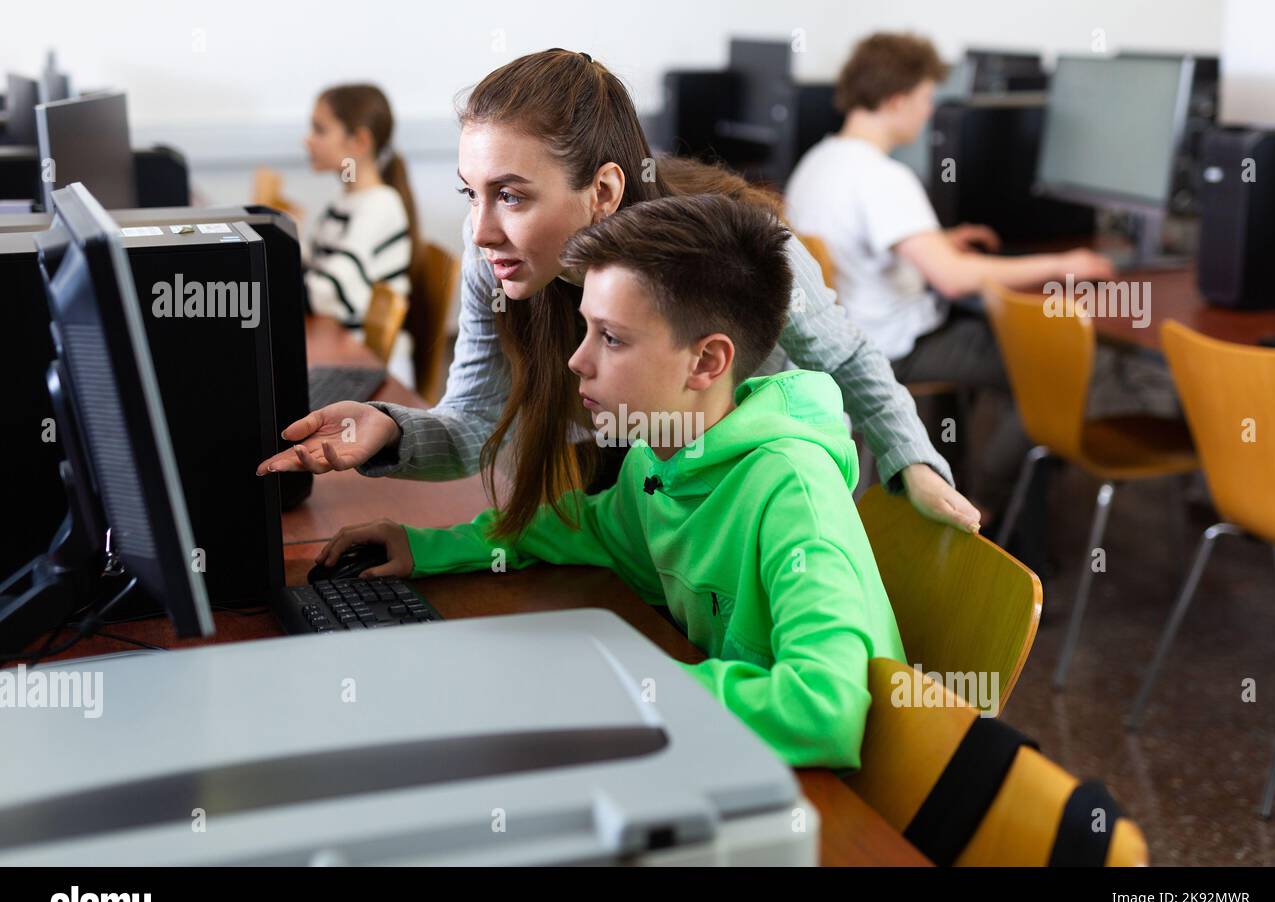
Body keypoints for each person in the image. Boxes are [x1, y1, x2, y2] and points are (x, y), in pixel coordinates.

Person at [257, 48, 980, 538]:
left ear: (603, 190)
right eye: (470, 194)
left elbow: (850, 361)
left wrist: (913, 463)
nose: (480, 232)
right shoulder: (500, 273)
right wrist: (388, 430)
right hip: (640, 523)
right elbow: (472, 428)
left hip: (750, 515)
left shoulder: (739, 249)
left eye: (509, 196)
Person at [315, 194, 905, 769]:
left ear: (706, 362)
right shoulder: (658, 459)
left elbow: (822, 709)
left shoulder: (791, 491)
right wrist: (424, 546)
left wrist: (618, 690)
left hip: (842, 808)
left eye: (612, 338)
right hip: (735, 759)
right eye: (587, 329)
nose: (578, 360)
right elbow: (583, 528)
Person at [784, 33, 1114, 514]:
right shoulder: (883, 177)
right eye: (924, 99)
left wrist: (935, 242)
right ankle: (992, 504)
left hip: (837, 340)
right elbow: (954, 280)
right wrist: (1065, 265)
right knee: (1046, 367)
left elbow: (866, 247)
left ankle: (964, 477)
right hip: (889, 347)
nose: (929, 111)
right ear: (897, 101)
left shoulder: (818, 161)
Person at [301, 83, 418, 329]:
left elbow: (329, 293)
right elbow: (316, 265)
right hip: (340, 342)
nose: (307, 140)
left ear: (360, 141)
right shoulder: (344, 199)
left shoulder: (380, 206)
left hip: (363, 357)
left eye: (319, 130)